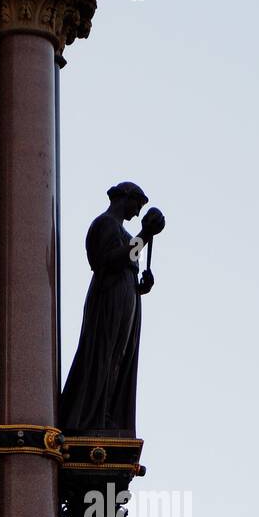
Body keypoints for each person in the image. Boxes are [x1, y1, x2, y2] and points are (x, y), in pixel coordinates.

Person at [59, 181, 165, 433]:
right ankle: (91, 416)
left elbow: (127, 259)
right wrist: (145, 235)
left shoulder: (125, 233)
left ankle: (105, 413)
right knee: (103, 355)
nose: (138, 213)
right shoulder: (104, 224)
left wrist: (142, 287)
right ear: (125, 197)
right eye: (137, 205)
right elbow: (109, 261)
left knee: (118, 358)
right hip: (110, 297)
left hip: (127, 297)